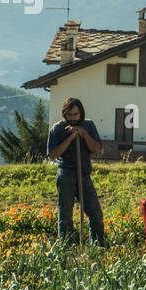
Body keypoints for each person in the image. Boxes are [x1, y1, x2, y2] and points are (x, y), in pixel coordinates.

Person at [47, 97, 108, 246]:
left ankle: (98, 247)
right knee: (65, 215)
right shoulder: (57, 129)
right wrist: (71, 137)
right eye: (70, 115)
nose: (73, 118)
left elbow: (97, 149)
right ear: (64, 114)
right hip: (66, 175)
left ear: (81, 113)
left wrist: (83, 134)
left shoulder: (89, 125)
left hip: (84, 175)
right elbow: (53, 154)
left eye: (76, 114)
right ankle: (68, 248)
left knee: (95, 213)